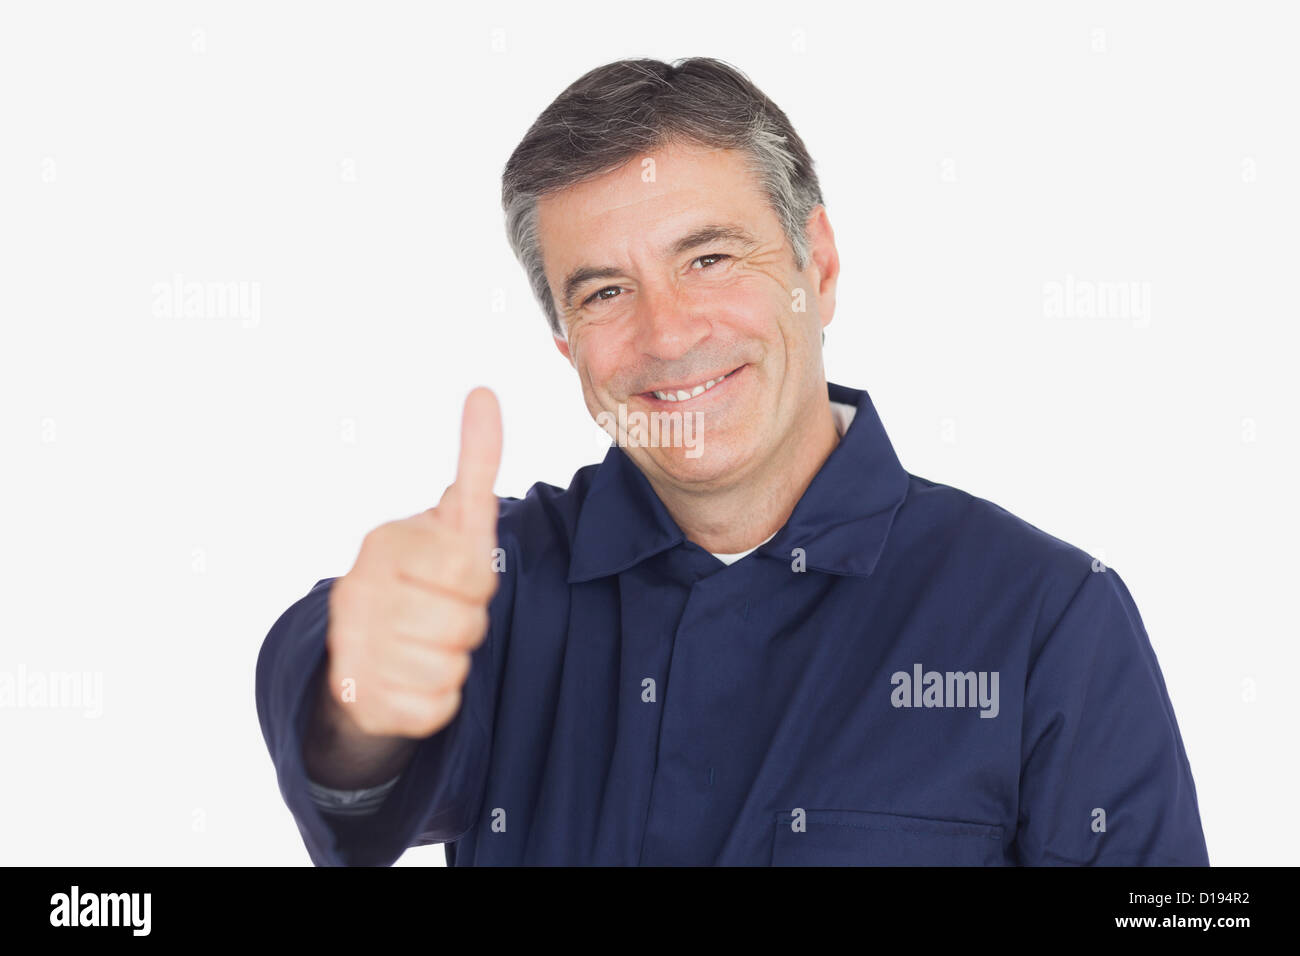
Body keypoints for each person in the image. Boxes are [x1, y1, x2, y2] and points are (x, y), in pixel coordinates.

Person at [255, 57, 1210, 866]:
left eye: (709, 259)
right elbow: (352, 783)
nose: (667, 335)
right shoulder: (500, 587)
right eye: (604, 292)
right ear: (564, 343)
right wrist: (359, 689)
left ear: (818, 269)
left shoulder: (1046, 619)